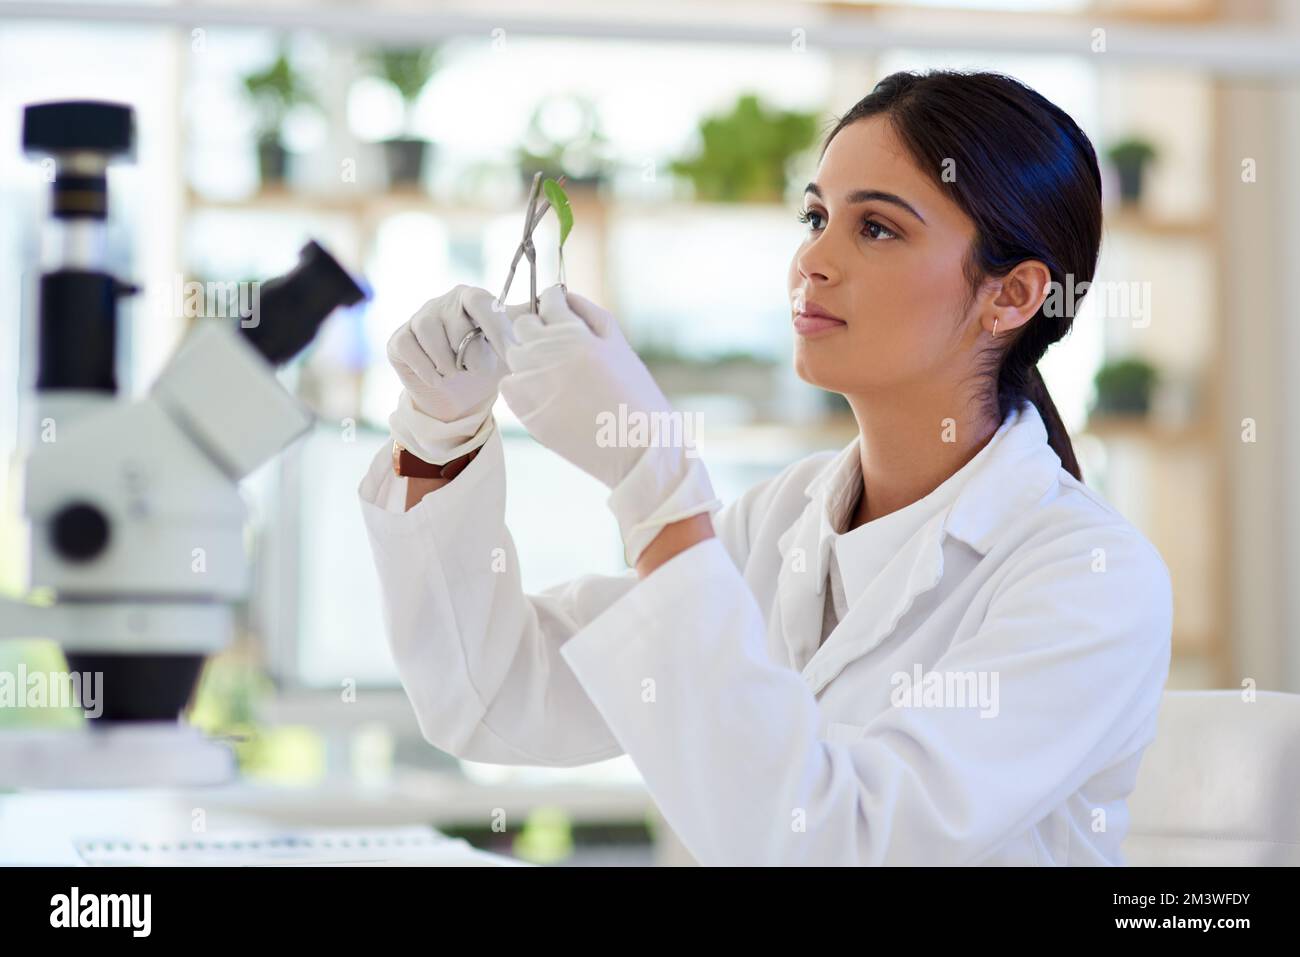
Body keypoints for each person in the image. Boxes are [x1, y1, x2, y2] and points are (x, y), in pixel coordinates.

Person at [358, 69, 1172, 866]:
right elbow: (495, 697)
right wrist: (439, 438)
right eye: (814, 216)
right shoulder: (783, 519)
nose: (813, 261)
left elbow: (831, 840)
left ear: (1014, 294)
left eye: (877, 227)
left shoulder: (1089, 580)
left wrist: (652, 477)